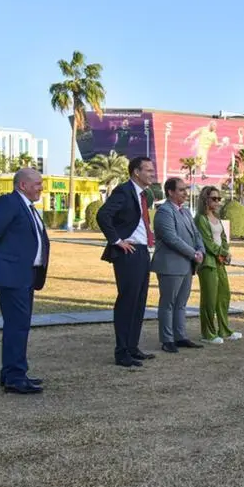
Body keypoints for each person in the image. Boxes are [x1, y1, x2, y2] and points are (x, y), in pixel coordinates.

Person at [0, 168, 50, 394]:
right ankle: (15, 377)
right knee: (17, 326)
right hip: (11, 274)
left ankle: (12, 372)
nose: (41, 188)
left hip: (26, 274)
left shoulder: (28, 207)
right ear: (23, 185)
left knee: (19, 325)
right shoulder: (8, 203)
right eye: (37, 184)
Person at [96, 156, 158, 368]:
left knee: (139, 300)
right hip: (128, 252)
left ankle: (132, 347)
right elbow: (103, 215)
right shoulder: (123, 191)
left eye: (152, 170)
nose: (152, 174)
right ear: (136, 172)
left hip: (142, 251)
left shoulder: (144, 195)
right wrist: (116, 240)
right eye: (148, 170)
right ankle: (121, 351)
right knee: (128, 301)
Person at [151, 177, 206, 354]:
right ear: (170, 192)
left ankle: (180, 336)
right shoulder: (164, 212)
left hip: (186, 265)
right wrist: (193, 254)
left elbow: (196, 234)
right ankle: (167, 339)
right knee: (168, 303)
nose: (185, 193)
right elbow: (171, 238)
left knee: (181, 303)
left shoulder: (186, 212)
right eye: (181, 190)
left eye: (185, 189)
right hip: (170, 265)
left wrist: (201, 250)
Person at [195, 186, 242, 344]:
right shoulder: (200, 219)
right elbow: (207, 242)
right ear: (205, 200)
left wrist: (225, 252)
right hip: (208, 263)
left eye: (219, 199)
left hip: (219, 262)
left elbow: (222, 238)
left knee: (223, 296)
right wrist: (223, 252)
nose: (217, 202)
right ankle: (208, 333)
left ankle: (224, 330)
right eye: (214, 199)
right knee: (209, 299)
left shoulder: (216, 218)